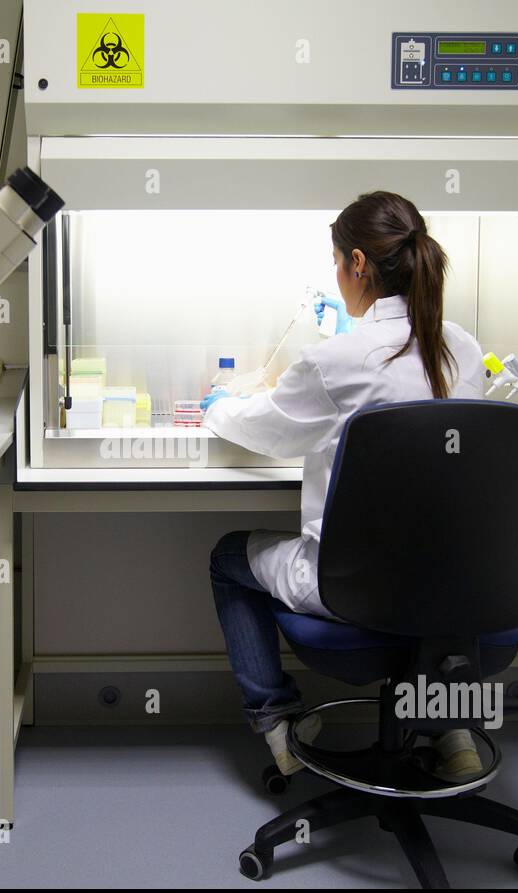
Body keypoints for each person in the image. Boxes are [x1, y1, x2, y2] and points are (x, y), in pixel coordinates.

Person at [203, 190, 486, 779]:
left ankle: (278, 723)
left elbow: (267, 432)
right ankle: (448, 727)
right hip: (459, 591)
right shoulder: (464, 348)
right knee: (424, 578)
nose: (336, 276)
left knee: (228, 556)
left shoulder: (337, 359)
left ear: (357, 264)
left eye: (337, 262)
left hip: (353, 593)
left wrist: (218, 406)